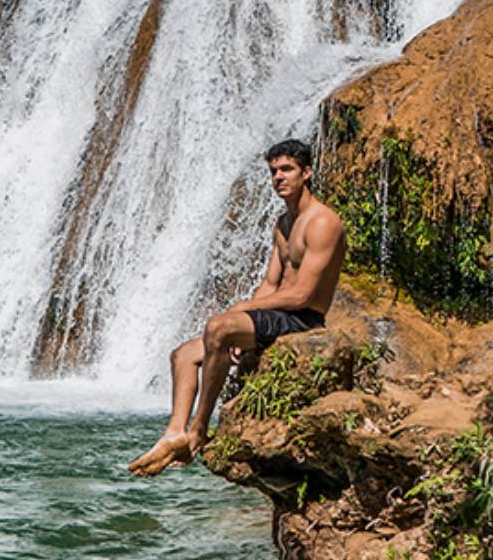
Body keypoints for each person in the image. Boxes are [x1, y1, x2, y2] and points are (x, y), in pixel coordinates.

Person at [128, 138, 347, 477]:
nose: (278, 177)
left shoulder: (323, 222)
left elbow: (303, 295)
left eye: (287, 169)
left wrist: (243, 311)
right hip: (277, 317)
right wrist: (246, 317)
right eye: (273, 171)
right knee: (183, 355)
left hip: (303, 321)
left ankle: (198, 429)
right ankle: (174, 432)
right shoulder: (283, 224)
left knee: (219, 327)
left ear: (307, 173)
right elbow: (271, 284)